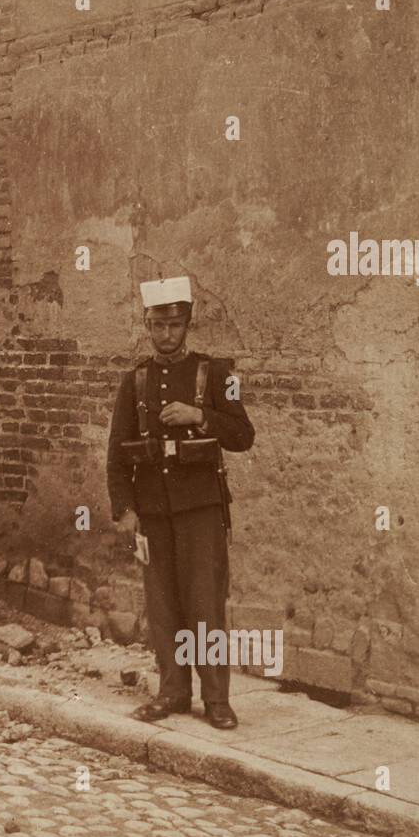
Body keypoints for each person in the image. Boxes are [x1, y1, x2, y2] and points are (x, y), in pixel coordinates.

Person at [105, 276, 255, 729]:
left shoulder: (218, 374)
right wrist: (125, 509)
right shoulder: (134, 382)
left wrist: (200, 415)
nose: (165, 334)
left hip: (201, 509)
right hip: (153, 510)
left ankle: (216, 700)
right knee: (163, 603)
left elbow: (244, 435)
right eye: (157, 325)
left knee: (205, 601)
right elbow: (116, 452)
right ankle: (172, 691)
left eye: (174, 324)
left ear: (187, 323)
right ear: (146, 325)